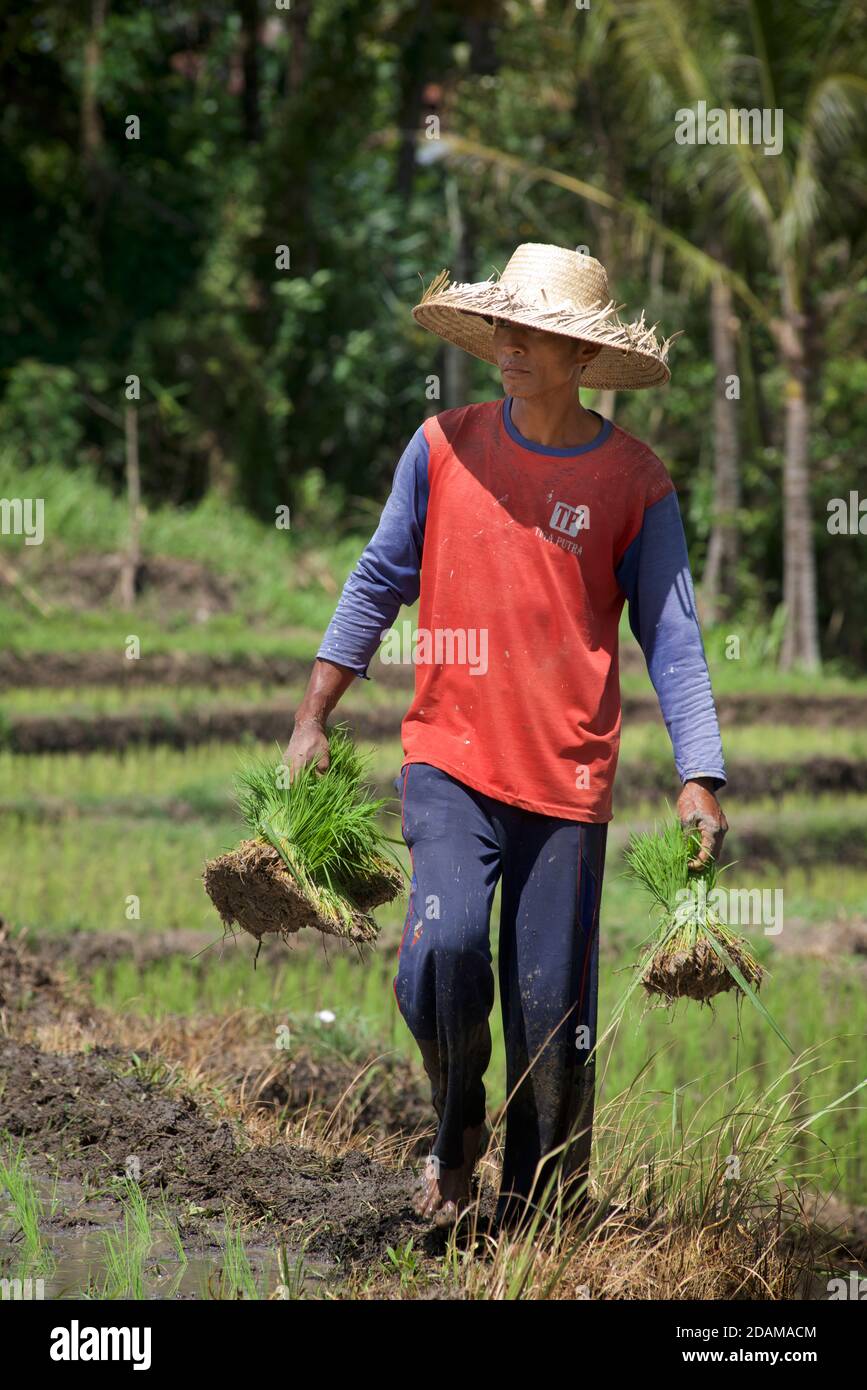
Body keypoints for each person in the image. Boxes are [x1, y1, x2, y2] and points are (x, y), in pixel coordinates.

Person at [285, 243, 728, 1232]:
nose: (510, 346)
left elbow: (672, 632)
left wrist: (700, 773)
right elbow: (375, 580)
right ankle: (454, 1132)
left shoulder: (634, 480)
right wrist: (314, 714)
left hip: (566, 786)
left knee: (552, 1023)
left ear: (580, 357)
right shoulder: (441, 447)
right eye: (504, 328)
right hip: (449, 759)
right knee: (438, 954)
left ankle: (536, 1220)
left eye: (534, 334)